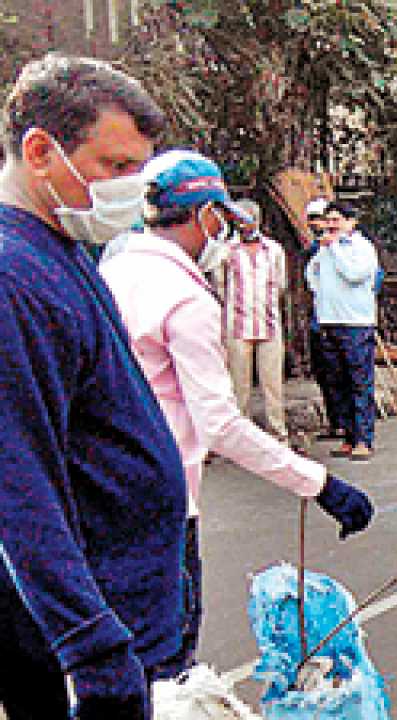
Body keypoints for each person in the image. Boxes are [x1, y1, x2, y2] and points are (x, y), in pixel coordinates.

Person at [100, 149, 375, 678]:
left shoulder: (107, 273)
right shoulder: (184, 297)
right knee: (166, 670)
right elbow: (218, 423)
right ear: (207, 216)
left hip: (94, 495)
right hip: (161, 503)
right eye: (220, 219)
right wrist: (319, 484)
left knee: (111, 663)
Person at [0, 53, 187, 719]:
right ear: (41, 152)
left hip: (129, 623)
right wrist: (92, 650)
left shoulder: (64, 254)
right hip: (85, 653)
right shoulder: (12, 275)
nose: (131, 191)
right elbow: (18, 486)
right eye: (115, 168)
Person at [210, 198, 290, 440]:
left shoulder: (274, 250)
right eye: (240, 219)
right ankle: (241, 438)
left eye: (249, 218)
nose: (245, 224)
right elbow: (220, 285)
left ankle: (278, 434)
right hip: (238, 324)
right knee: (238, 386)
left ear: (257, 220)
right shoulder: (226, 250)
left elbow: (280, 284)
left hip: (269, 324)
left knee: (272, 384)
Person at [307, 199, 380, 460]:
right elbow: (312, 279)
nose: (330, 225)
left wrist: (335, 248)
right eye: (328, 221)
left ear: (352, 223)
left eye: (336, 220)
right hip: (329, 321)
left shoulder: (362, 248)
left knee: (359, 382)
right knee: (338, 383)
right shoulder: (324, 249)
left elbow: (353, 274)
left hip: (356, 324)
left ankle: (364, 438)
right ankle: (348, 436)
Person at [304, 198, 345, 440]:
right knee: (324, 373)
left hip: (342, 319)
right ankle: (334, 421)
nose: (316, 224)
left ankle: (348, 424)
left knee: (342, 373)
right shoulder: (313, 249)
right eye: (313, 219)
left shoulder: (348, 245)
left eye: (320, 218)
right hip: (319, 318)